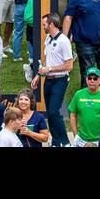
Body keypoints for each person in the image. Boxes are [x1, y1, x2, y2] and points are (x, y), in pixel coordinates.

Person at [33, 12, 73, 148]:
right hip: (48, 80)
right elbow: (46, 60)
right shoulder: (48, 39)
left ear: (51, 24)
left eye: (44, 24)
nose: (43, 26)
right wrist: (38, 75)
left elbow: (69, 65)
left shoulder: (64, 41)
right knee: (50, 113)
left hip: (60, 80)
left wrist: (49, 69)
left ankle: (66, 142)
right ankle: (56, 142)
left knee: (54, 111)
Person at [68, 66, 100, 147]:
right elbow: (73, 114)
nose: (92, 81)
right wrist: (75, 134)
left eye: (95, 78)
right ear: (86, 80)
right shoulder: (78, 94)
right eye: (89, 78)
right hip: (81, 139)